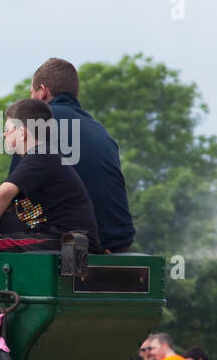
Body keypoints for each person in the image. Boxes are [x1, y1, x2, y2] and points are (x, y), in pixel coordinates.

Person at [9, 58, 135, 253]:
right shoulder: (100, 130)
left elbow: (12, 196)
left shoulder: (37, 126)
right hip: (119, 242)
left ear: (42, 92)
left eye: (31, 93)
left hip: (76, 244)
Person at [0, 99, 100, 258]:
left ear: (22, 132)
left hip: (68, 240)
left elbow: (5, 192)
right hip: (59, 238)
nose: (4, 134)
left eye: (7, 129)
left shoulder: (41, 156)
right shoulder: (41, 156)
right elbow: (7, 196)